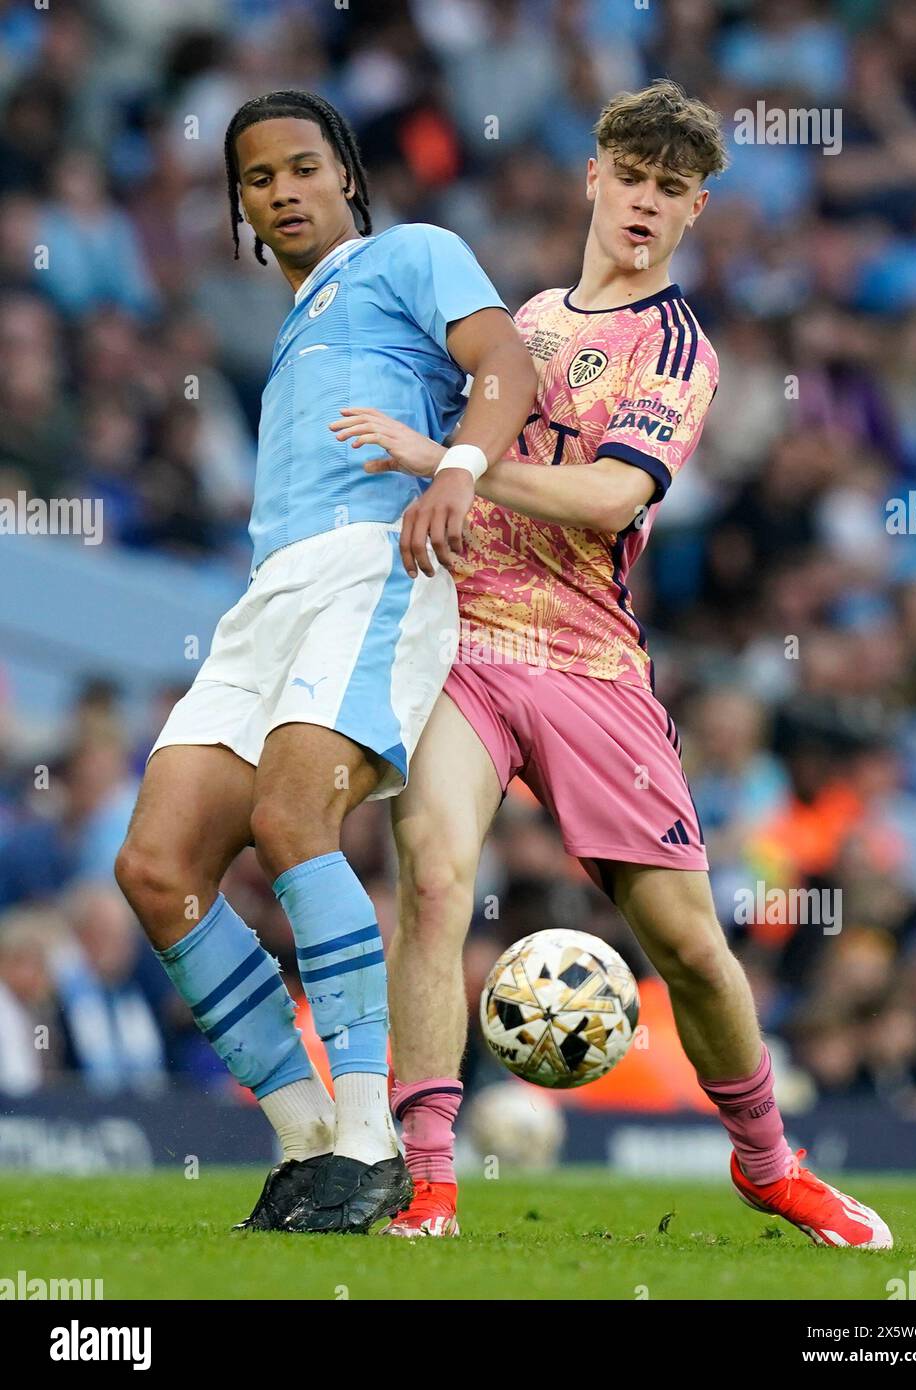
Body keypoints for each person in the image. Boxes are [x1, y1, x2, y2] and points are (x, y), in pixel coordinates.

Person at [334, 80, 893, 1248]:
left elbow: (612, 495)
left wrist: (455, 461)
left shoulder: (679, 350)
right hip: (468, 638)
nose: (645, 202)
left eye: (672, 190)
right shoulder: (524, 320)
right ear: (594, 179)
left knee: (688, 944)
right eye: (631, 177)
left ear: (695, 213)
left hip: (590, 664)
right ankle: (427, 1178)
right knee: (433, 881)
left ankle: (767, 1160)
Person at [114, 89, 536, 1235]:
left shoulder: (411, 252)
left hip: (375, 565)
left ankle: (370, 1134)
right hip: (268, 599)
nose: (283, 190)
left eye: (304, 166)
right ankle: (304, 1133)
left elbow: (506, 361)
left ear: (346, 171)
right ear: (241, 206)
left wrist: (456, 467)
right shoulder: (299, 316)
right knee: (157, 865)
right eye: (258, 179)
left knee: (297, 815)